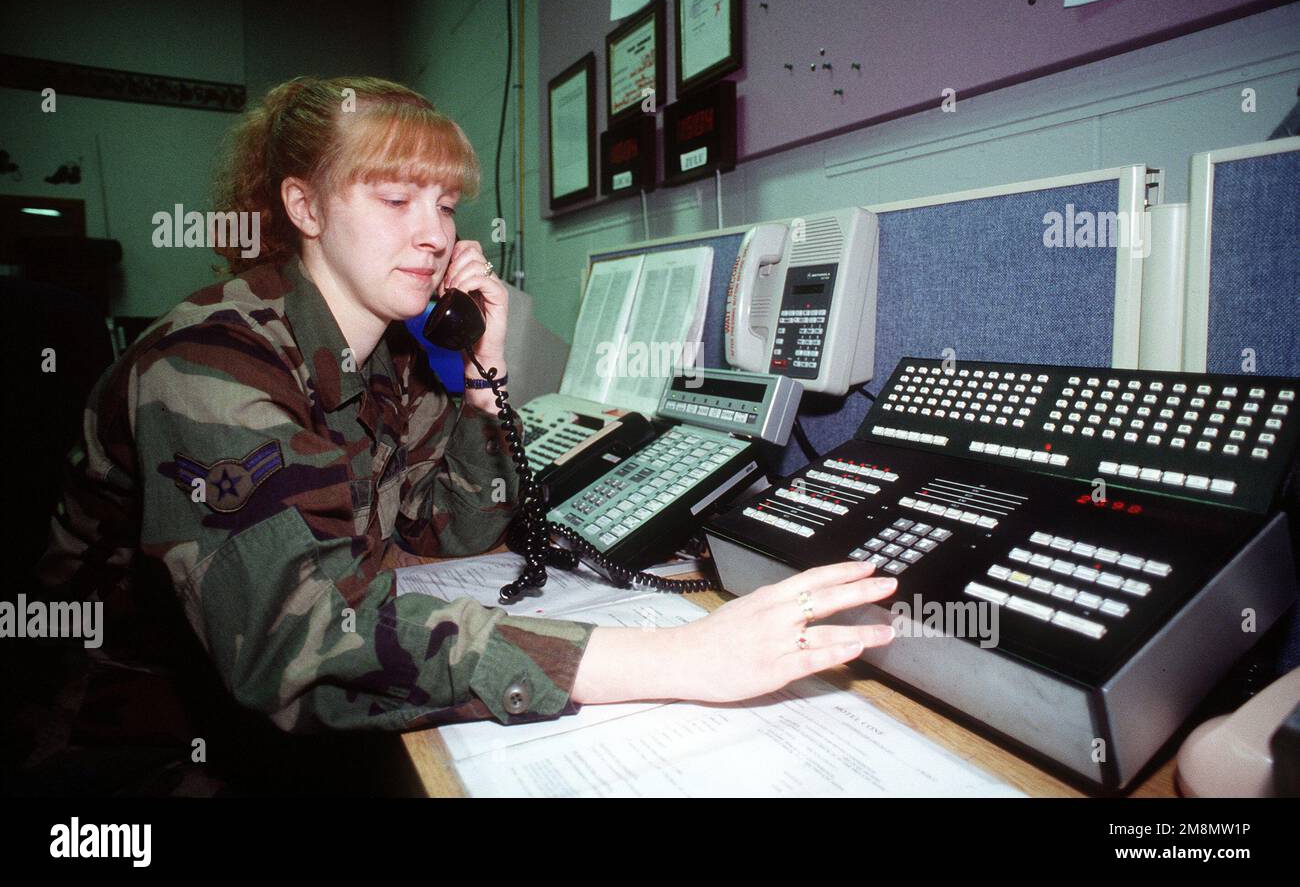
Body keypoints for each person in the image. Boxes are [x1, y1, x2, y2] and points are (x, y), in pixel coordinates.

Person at [27, 76, 897, 794]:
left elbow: (440, 536)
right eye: (397, 196)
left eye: (444, 203)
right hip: (144, 750)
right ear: (305, 205)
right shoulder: (211, 365)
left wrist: (481, 386)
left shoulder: (403, 356)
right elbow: (294, 646)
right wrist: (677, 657)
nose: (435, 233)